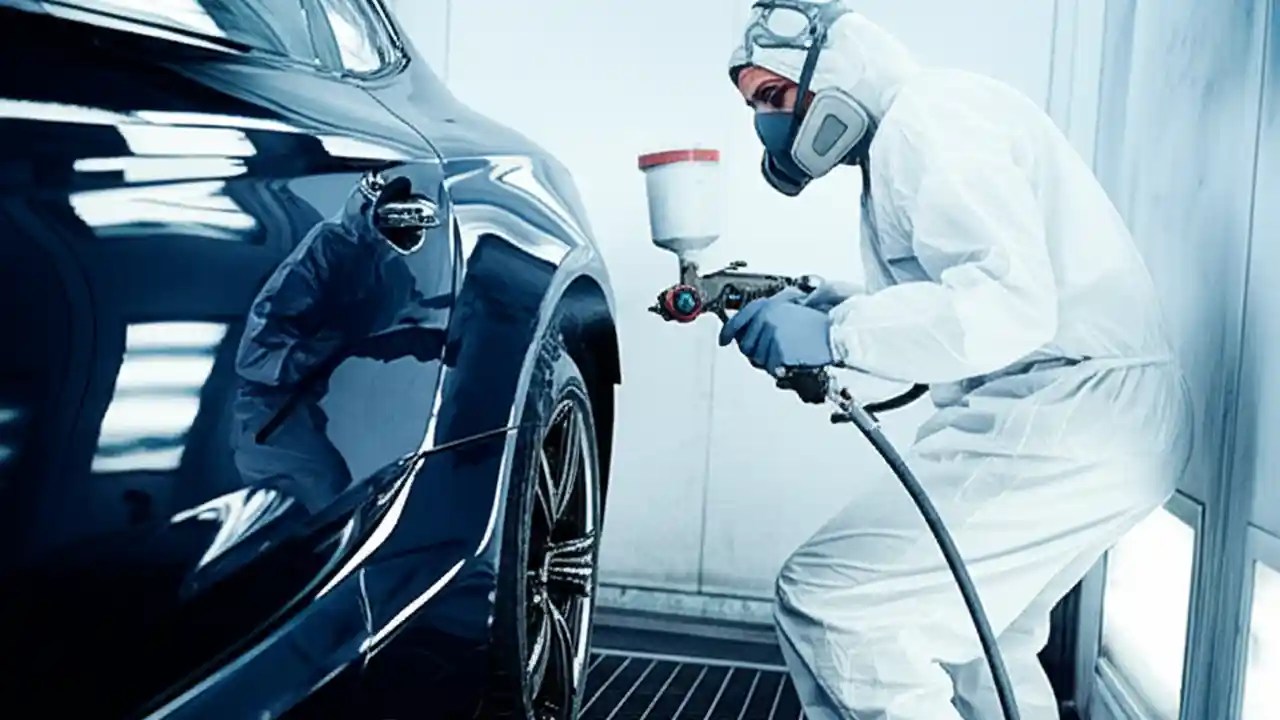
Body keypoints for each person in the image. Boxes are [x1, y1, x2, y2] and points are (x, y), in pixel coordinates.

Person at [718, 2, 1195, 719]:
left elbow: (1008, 303)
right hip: (1092, 412)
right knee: (982, 647)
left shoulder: (926, 117)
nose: (768, 124)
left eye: (775, 97)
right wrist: (828, 302)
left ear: (837, 75)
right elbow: (964, 292)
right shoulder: (911, 133)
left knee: (839, 604)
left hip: (1072, 410)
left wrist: (838, 334)